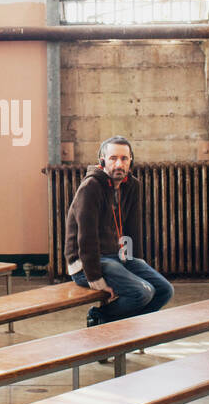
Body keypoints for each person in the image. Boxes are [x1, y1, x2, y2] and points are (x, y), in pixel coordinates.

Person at [65, 136, 174, 327]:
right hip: (86, 262)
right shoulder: (90, 187)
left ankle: (121, 330)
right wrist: (93, 276)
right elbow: (86, 237)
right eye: (113, 158)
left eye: (124, 158)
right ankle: (99, 317)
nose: (119, 164)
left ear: (131, 160)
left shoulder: (132, 186)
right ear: (102, 160)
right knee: (143, 292)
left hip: (119, 257)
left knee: (164, 290)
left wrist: (135, 262)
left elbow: (132, 229)